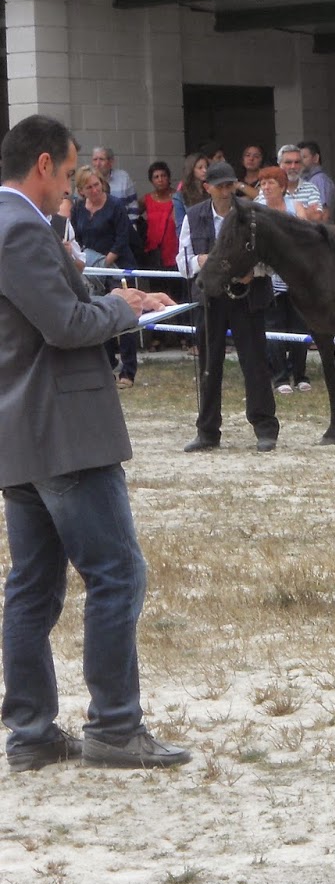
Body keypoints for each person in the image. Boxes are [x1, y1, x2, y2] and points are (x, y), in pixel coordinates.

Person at [0, 113, 190, 771]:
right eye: (71, 170)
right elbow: (64, 324)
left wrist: (110, 293)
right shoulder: (20, 229)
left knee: (33, 586)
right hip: (63, 431)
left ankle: (31, 731)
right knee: (116, 573)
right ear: (45, 165)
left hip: (22, 433)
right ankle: (113, 726)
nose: (73, 187)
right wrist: (124, 308)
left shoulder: (24, 228)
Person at [178, 162, 279, 454]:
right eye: (219, 185)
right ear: (206, 187)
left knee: (255, 362)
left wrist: (254, 271)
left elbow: (272, 258)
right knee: (209, 366)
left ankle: (265, 427)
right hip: (211, 300)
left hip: (248, 296)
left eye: (229, 185)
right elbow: (181, 261)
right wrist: (202, 262)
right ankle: (207, 430)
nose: (225, 191)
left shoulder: (253, 213)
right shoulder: (193, 216)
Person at [71, 167, 140, 389]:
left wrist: (106, 264)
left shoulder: (115, 205)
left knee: (126, 317)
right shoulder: (78, 208)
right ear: (81, 190)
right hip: (93, 270)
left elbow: (122, 239)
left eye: (96, 184)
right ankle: (108, 366)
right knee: (101, 316)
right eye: (88, 187)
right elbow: (78, 238)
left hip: (118, 267)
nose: (94, 190)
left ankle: (128, 370)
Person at [254, 167, 314, 395]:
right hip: (269, 279)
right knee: (274, 328)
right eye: (263, 183)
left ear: (282, 186)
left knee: (300, 327)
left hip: (296, 279)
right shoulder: (257, 209)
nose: (266, 187)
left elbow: (304, 235)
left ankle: (300, 374)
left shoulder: (295, 206)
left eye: (271, 183)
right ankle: (280, 377)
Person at [275, 144, 326, 223]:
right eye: (288, 162)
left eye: (297, 162)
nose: (293, 166)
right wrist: (303, 212)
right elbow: (262, 216)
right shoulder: (269, 188)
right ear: (279, 165)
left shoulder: (311, 189)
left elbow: (317, 217)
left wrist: (280, 210)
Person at [297, 140, 335, 214]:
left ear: (316, 158)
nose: (300, 162)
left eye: (304, 157)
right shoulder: (306, 180)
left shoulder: (319, 180)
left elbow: (323, 212)